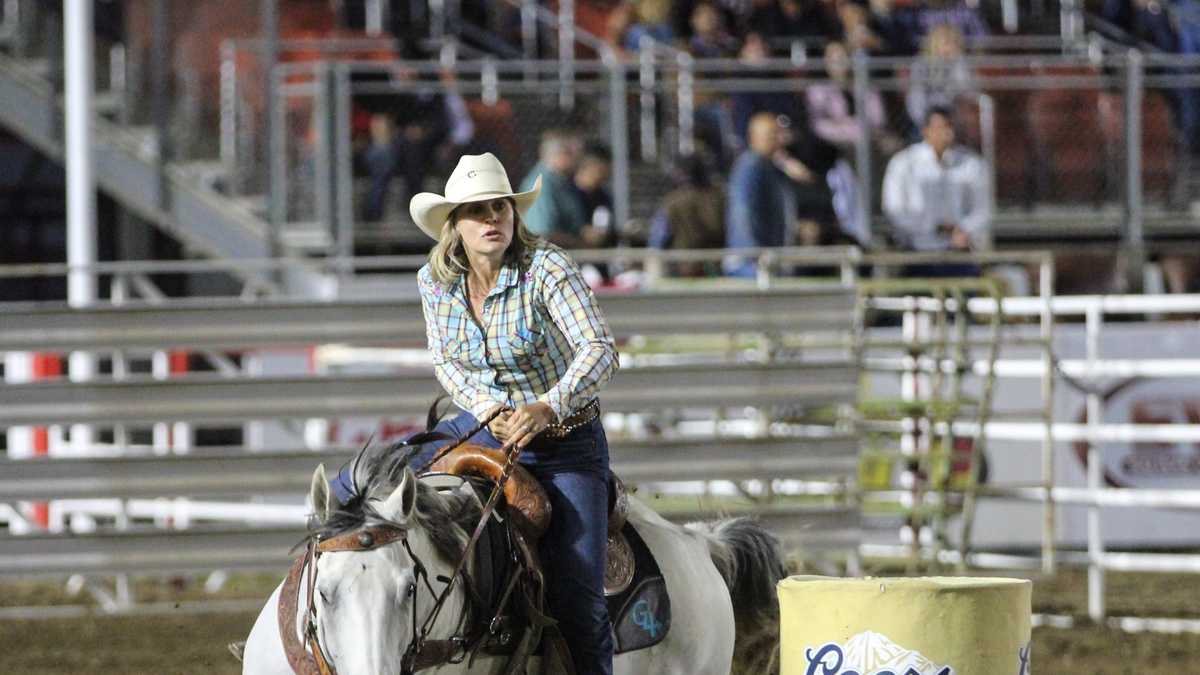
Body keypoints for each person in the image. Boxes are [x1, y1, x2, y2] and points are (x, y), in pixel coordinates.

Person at [409, 152, 619, 674]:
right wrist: (491, 407)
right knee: (374, 493)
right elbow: (446, 361)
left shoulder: (546, 267)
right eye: (477, 210)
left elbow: (599, 348)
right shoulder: (434, 283)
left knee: (578, 597)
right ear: (454, 224)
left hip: (563, 443)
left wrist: (548, 405)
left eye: (500, 207)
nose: (492, 219)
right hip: (484, 428)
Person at [882, 106, 990, 276]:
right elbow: (895, 210)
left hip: (958, 253)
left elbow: (982, 209)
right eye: (941, 127)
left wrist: (963, 230)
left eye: (950, 127)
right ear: (926, 131)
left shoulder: (972, 164)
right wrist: (931, 228)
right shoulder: (903, 163)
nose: (947, 133)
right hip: (915, 252)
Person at [724, 112, 817, 277]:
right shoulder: (751, 166)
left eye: (778, 134)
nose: (778, 139)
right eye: (771, 134)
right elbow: (743, 212)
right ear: (754, 137)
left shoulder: (771, 167)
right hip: (752, 267)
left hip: (768, 261)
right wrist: (753, 260)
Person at [519, 129, 600, 247]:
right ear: (563, 155)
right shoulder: (540, 185)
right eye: (576, 154)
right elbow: (541, 235)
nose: (580, 160)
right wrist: (583, 243)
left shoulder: (563, 183)